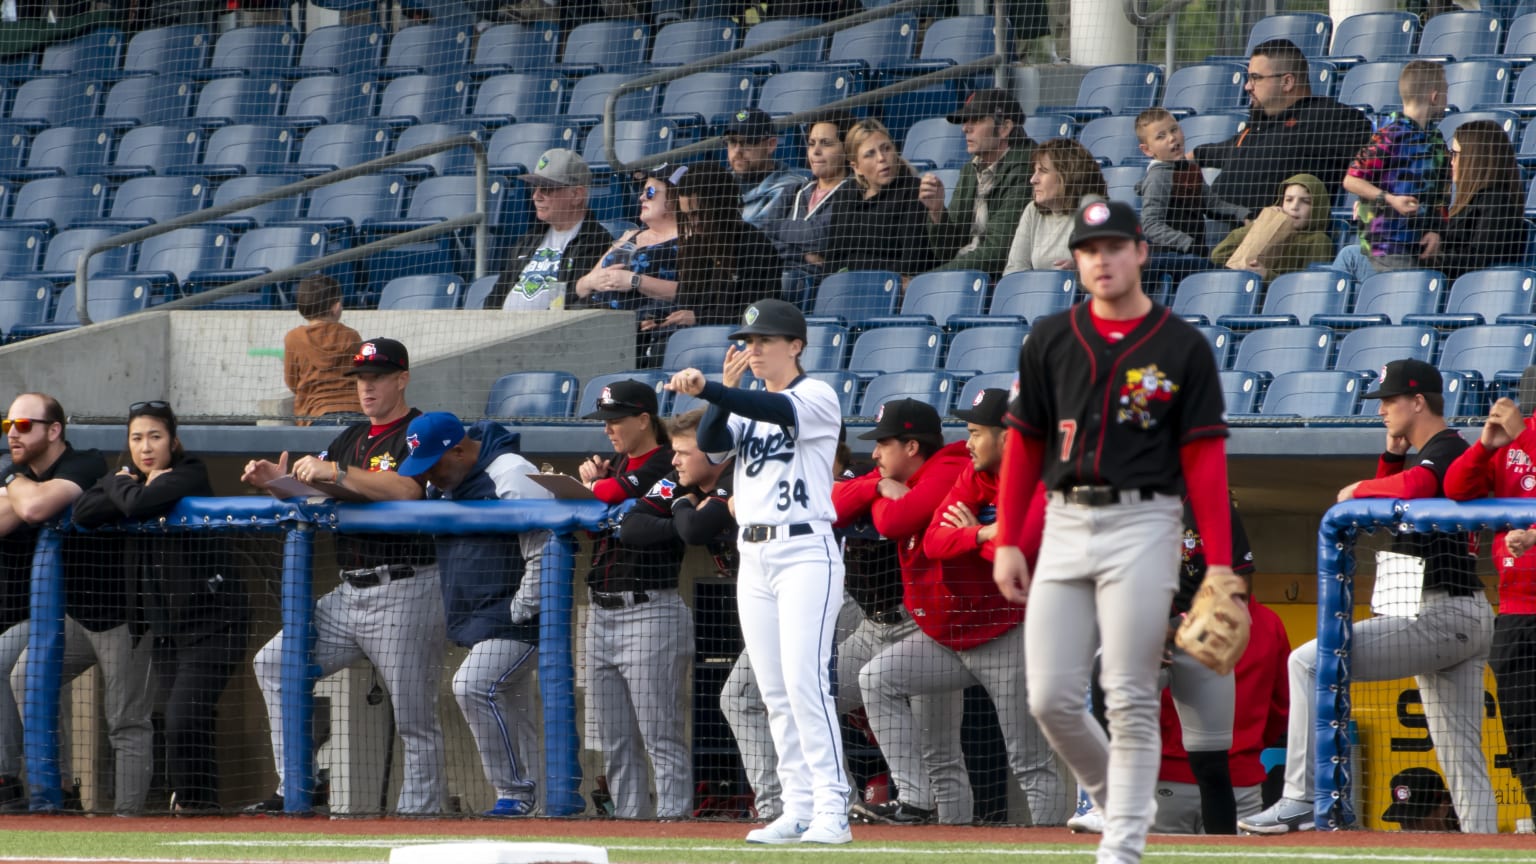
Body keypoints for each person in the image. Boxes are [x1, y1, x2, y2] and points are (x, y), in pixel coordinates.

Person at [993, 200, 1234, 863]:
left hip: (1145, 520)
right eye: (1090, 248)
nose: (1103, 258)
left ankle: (1121, 846)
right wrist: (1010, 537)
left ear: (1141, 251)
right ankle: (1121, 799)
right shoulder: (1050, 337)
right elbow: (1023, 448)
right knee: (1050, 698)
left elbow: (1205, 462)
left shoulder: (1181, 345)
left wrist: (1218, 563)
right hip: (1066, 521)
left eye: (1115, 245)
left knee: (1128, 693)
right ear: (1076, 260)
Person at [1240, 358, 1496, 835]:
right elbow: (1392, 515)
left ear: (1418, 401)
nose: (1381, 411)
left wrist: (1361, 486)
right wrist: (1389, 459)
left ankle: (1297, 796)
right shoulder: (1423, 454)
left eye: (1389, 401)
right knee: (1462, 757)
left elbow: (1420, 488)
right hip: (1455, 614)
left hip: (1442, 611)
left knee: (1308, 662)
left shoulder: (1448, 447)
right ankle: (1484, 847)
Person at [666, 298, 853, 845]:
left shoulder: (816, 394)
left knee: (804, 682)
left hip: (805, 552)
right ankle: (796, 806)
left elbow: (779, 412)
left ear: (795, 345)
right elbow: (710, 445)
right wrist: (719, 399)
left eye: (765, 341)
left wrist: (714, 391)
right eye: (748, 342)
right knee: (773, 688)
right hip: (755, 556)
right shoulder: (744, 403)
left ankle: (832, 807)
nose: (754, 350)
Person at [242, 338, 447, 815]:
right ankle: (297, 787)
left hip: (407, 585)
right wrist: (276, 481)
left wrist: (335, 470)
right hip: (349, 591)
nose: (367, 386)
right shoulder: (350, 436)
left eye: (377, 376)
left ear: (402, 378)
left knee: (414, 717)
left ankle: (419, 815)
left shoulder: (419, 429)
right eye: (360, 378)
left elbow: (407, 489)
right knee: (274, 664)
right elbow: (313, 494)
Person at [861, 388, 1069, 827]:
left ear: (1009, 437)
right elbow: (937, 542)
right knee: (877, 678)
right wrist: (982, 535)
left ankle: (1054, 847)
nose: (968, 442)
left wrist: (989, 537)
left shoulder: (1042, 482)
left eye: (976, 432)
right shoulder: (974, 477)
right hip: (950, 639)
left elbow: (1026, 566)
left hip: (1008, 635)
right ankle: (915, 801)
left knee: (1028, 759)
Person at [67, 401, 245, 814]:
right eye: (136, 438)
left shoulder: (191, 472)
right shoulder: (128, 476)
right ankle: (202, 807)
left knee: (184, 718)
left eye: (155, 437)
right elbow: (84, 511)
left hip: (215, 621)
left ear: (173, 441)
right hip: (167, 628)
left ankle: (192, 806)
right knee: (187, 722)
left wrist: (129, 487)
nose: (145, 446)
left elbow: (136, 506)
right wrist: (125, 480)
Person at [395, 410, 552, 818]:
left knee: (472, 685)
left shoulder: (510, 472)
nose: (429, 478)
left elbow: (545, 545)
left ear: (461, 450)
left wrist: (523, 608)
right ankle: (548, 811)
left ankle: (514, 792)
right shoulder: (446, 486)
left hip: (516, 620)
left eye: (434, 466)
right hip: (478, 618)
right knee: (518, 719)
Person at [833, 398, 972, 826]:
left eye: (884, 443)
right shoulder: (883, 475)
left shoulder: (947, 472)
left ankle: (957, 847)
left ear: (912, 446)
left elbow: (894, 523)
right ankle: (834, 809)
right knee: (813, 698)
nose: (873, 453)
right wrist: (876, 487)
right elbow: (831, 504)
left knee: (941, 754)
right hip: (874, 626)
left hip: (927, 626)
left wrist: (878, 498)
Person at [579, 379, 689, 819]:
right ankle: (629, 822)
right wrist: (598, 490)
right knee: (615, 736)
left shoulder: (668, 461)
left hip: (649, 609)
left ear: (644, 419)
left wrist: (596, 488)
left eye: (615, 420)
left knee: (660, 732)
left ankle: (675, 820)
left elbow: (607, 499)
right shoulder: (622, 462)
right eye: (604, 421)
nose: (607, 429)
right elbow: (592, 525)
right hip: (602, 610)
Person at [0, 394, 107, 811]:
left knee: (123, 720)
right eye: (8, 425)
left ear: (55, 429)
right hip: (45, 613)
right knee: (12, 669)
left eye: (24, 425)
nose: (13, 433)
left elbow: (33, 508)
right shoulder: (19, 471)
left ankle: (66, 791)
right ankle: (8, 779)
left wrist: (13, 483)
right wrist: (21, 486)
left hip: (108, 612)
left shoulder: (87, 462)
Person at [1443, 391, 1536, 824]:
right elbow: (1456, 488)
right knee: (1524, 732)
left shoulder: (1526, 435)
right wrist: (1485, 446)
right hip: (1517, 610)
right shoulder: (1511, 440)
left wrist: (1524, 436)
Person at [1193, 38, 1373, 229]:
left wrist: (1370, 196)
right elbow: (1229, 149)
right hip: (1214, 226)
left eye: (1256, 77)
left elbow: (1375, 154)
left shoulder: (1327, 116)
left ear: (1287, 82)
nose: (1247, 86)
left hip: (1272, 240)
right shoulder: (1261, 122)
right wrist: (1182, 159)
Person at [1153, 590, 1290, 834]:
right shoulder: (1269, 622)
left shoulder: (1162, 621)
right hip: (1239, 779)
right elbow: (1281, 707)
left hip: (1169, 775)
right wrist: (1248, 744)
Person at [638, 163, 781, 365]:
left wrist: (699, 318)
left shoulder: (755, 247)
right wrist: (660, 318)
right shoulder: (694, 245)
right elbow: (685, 302)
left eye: (699, 214)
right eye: (687, 216)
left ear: (719, 206)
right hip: (694, 341)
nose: (694, 223)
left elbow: (757, 317)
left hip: (739, 348)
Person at [1332, 61, 1450, 284]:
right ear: (1434, 96)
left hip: (1420, 244)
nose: (1447, 99)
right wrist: (1391, 200)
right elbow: (1351, 180)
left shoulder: (1437, 142)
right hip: (1386, 242)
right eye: (1445, 91)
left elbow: (1440, 195)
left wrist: (1436, 232)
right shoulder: (1390, 134)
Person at [920, 89, 1036, 282]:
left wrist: (926, 280)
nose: (965, 128)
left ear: (1005, 128)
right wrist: (938, 212)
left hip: (997, 284)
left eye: (976, 120)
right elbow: (947, 251)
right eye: (966, 121)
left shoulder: (1027, 169)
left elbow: (998, 252)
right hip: (963, 279)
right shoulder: (970, 170)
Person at [486, 149, 613, 311]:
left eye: (546, 188)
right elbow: (495, 297)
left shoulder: (596, 241)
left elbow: (577, 305)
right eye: (535, 188)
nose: (536, 196)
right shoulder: (530, 238)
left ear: (576, 194)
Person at [1134, 107, 1246, 286]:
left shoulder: (1190, 169)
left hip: (1193, 254)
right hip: (1173, 257)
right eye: (1160, 136)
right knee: (1226, 277)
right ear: (1147, 150)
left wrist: (1243, 214)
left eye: (1174, 129)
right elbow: (1151, 225)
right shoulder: (1158, 177)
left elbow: (1211, 203)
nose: (1172, 138)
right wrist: (1186, 243)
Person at [572, 165, 682, 332]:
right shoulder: (629, 236)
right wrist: (591, 281)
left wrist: (635, 280)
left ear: (674, 197)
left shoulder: (688, 239)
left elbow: (690, 292)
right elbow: (580, 287)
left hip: (632, 328)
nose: (642, 197)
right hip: (588, 315)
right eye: (643, 192)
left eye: (650, 192)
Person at [824, 119, 936, 278]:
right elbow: (832, 263)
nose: (882, 158)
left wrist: (853, 262)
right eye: (870, 154)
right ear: (856, 167)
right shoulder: (845, 195)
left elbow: (913, 264)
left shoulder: (913, 191)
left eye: (886, 148)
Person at [774, 113, 860, 309]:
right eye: (812, 143)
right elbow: (767, 234)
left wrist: (784, 231)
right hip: (784, 273)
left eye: (826, 143)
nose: (816, 151)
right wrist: (803, 256)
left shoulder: (854, 192)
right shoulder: (793, 190)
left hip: (823, 287)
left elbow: (822, 236)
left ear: (847, 150)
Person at [1432, 120, 1526, 281]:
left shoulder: (1498, 203)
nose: (1451, 162)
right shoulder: (1472, 201)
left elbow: (1480, 260)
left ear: (1474, 157)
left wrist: (1429, 259)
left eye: (1455, 154)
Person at [1002, 139, 1108, 275]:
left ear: (1067, 175)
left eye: (1043, 171)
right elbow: (1014, 270)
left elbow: (1107, 262)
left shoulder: (1092, 207)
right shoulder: (1032, 210)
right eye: (1034, 171)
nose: (1033, 179)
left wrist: (1080, 269)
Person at [1210, 174, 1335, 279]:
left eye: (1305, 201)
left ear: (1318, 208)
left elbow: (1310, 286)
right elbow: (1218, 255)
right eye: (1289, 200)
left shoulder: (1318, 240)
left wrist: (1266, 275)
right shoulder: (1266, 230)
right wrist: (1259, 225)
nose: (1294, 207)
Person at [284, 274, 361, 426]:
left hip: (317, 413)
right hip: (356, 411)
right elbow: (361, 373)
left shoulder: (294, 338)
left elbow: (292, 381)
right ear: (336, 307)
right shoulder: (351, 336)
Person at [725, 108, 804, 236]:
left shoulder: (792, 188)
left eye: (748, 141)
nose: (737, 150)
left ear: (771, 144)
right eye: (732, 141)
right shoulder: (718, 184)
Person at [1380, 767, 1462, 832]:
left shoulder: (1464, 848)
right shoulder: (1394, 850)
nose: (1408, 827)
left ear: (1443, 809)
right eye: (1402, 820)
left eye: (1416, 820)